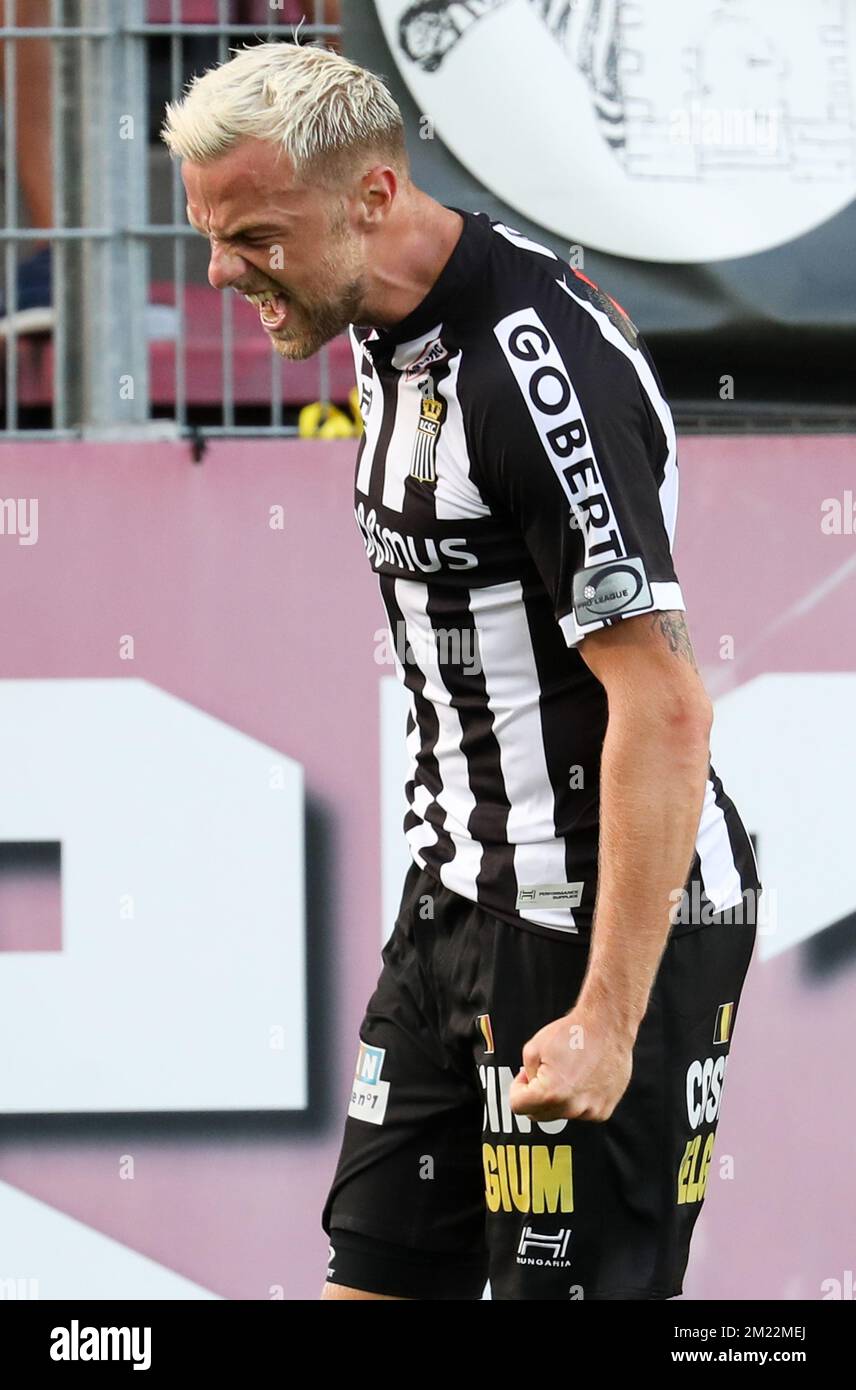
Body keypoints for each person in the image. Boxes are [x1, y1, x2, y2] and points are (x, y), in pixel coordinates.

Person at [162, 41, 762, 1301]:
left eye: (255, 235)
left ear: (374, 196)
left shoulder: (527, 371)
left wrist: (605, 1014)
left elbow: (663, 701)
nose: (223, 273)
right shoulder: (380, 312)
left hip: (594, 928)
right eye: (212, 237)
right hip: (453, 906)